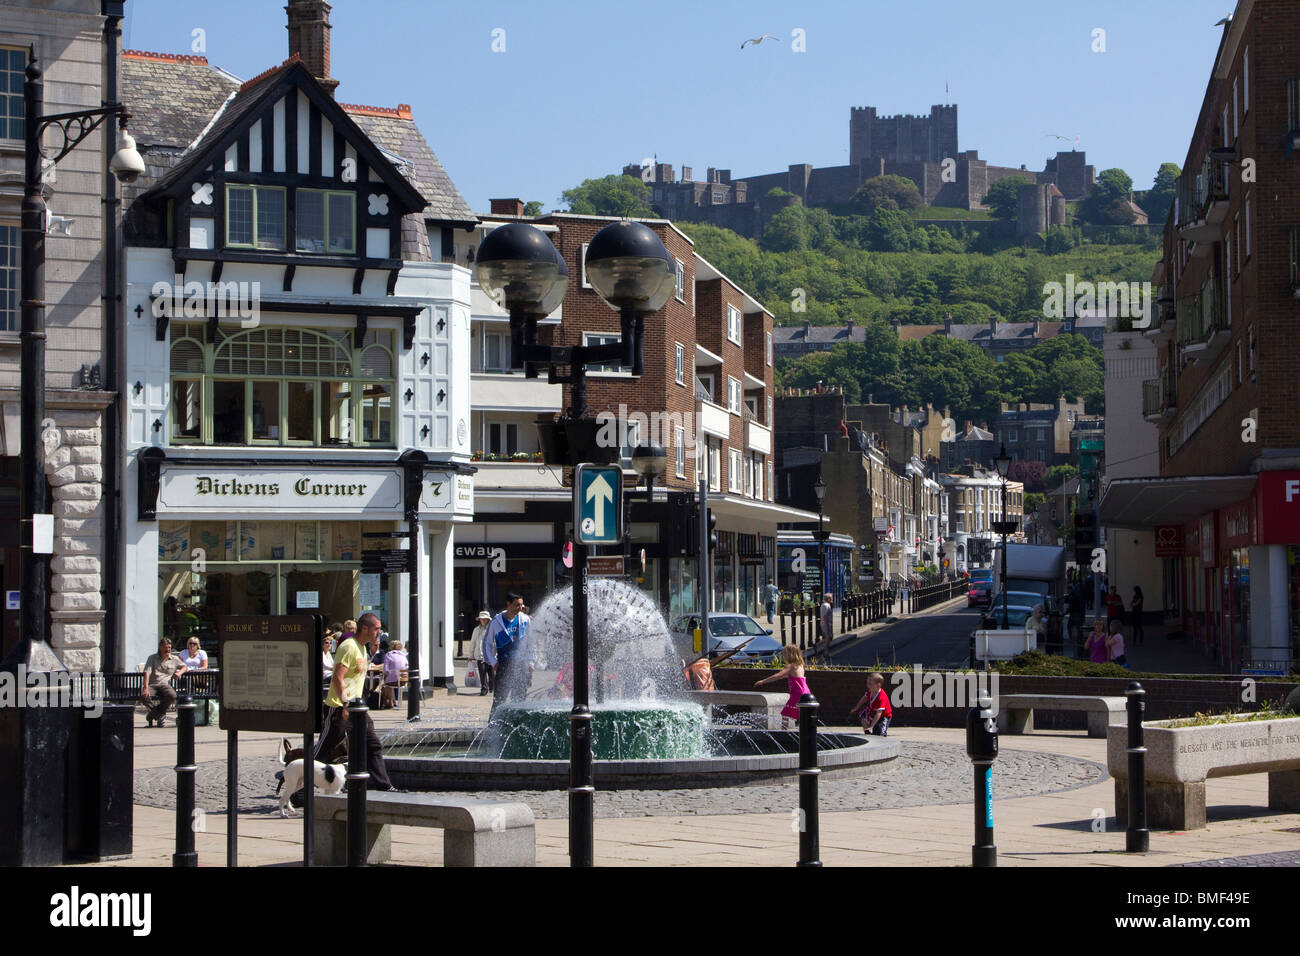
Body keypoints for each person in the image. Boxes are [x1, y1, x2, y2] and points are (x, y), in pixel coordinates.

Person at [314, 612, 395, 791]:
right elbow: (337, 677)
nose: (379, 633)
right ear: (364, 628)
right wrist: (345, 703)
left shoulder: (363, 648)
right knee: (325, 751)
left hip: (358, 708)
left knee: (373, 744)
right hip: (338, 707)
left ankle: (383, 784)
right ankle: (301, 785)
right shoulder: (349, 647)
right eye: (377, 629)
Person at [486, 592, 532, 711]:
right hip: (504, 664)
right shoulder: (496, 622)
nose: (520, 608)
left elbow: (531, 641)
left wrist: (531, 661)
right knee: (499, 700)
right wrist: (493, 661)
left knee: (519, 699)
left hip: (521, 665)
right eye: (517, 605)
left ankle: (517, 725)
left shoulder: (525, 620)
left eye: (521, 605)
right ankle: (493, 726)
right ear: (508, 604)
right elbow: (487, 644)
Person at [753, 645, 810, 730]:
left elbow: (778, 675)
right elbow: (796, 677)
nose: (783, 655)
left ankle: (784, 732)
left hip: (797, 692)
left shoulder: (790, 666)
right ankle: (805, 729)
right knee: (802, 712)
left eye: (784, 653)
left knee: (785, 713)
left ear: (790, 654)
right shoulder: (800, 665)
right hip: (805, 691)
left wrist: (763, 681)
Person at [141, 638, 187, 728]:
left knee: (172, 695)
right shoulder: (152, 658)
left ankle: (153, 714)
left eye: (169, 647)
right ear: (160, 647)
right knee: (144, 696)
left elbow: (185, 666)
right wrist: (145, 688)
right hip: (152, 684)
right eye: (166, 647)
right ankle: (159, 714)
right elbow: (147, 673)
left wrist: (179, 672)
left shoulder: (174, 658)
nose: (168, 650)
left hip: (164, 684)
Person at [850, 672, 892, 737]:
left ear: (878, 685)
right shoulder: (870, 691)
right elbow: (864, 698)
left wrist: (872, 726)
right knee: (863, 717)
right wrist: (856, 707)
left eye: (870, 684)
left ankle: (877, 731)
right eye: (867, 683)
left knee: (880, 734)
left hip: (883, 716)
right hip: (873, 712)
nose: (867, 685)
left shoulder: (881, 697)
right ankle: (867, 732)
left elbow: (879, 713)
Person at [468, 610, 493, 696]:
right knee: (482, 673)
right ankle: (484, 688)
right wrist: (470, 656)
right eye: (482, 619)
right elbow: (473, 642)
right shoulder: (476, 630)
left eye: (485, 619)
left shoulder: (492, 629)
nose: (483, 620)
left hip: (491, 656)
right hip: (480, 655)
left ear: (488, 619)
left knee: (492, 674)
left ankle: (492, 686)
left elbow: (496, 642)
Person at [380, 640, 408, 709]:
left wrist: (385, 674)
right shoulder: (403, 655)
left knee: (386, 683)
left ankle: (389, 701)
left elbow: (386, 669)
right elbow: (407, 666)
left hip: (392, 681)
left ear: (391, 647)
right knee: (390, 680)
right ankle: (393, 701)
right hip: (403, 680)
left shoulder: (388, 655)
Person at [818, 592, 833, 657]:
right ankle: (826, 652)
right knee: (828, 637)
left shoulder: (826, 605)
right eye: (831, 598)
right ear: (828, 599)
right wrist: (827, 626)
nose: (832, 599)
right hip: (826, 624)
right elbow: (825, 616)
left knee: (829, 638)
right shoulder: (826, 605)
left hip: (827, 624)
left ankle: (816, 645)